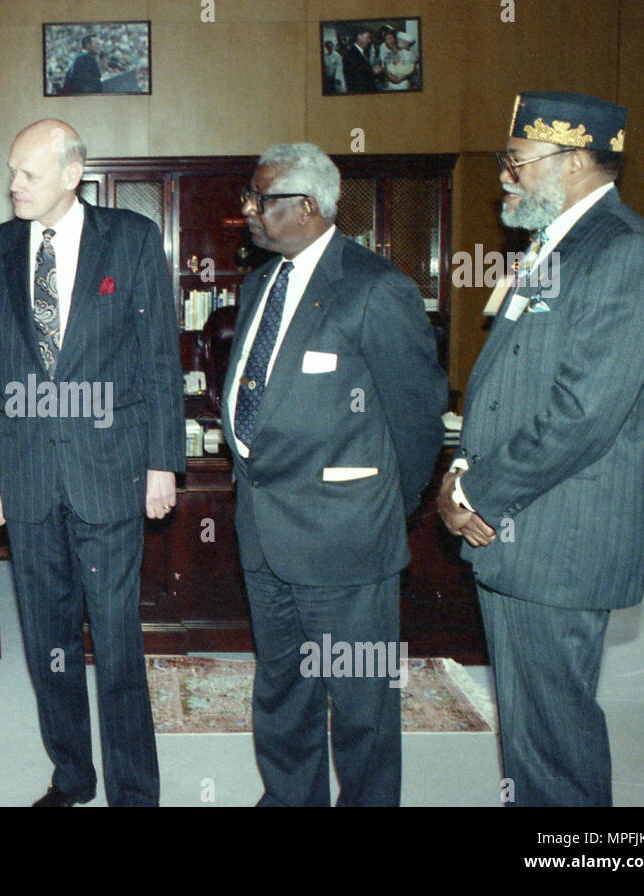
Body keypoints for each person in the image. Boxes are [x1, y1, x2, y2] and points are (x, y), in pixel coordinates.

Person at [438, 92, 644, 806]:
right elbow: (509, 385)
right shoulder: (555, 245)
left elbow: (583, 414)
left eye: (516, 163)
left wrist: (477, 493)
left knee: (554, 742)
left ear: (573, 162)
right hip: (519, 529)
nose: (504, 178)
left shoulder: (622, 253)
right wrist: (460, 468)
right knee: (532, 735)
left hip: (558, 537)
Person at [0, 119, 184, 806]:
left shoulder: (133, 238)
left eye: (28, 172)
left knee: (116, 645)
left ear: (72, 172)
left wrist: (162, 464)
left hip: (110, 473)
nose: (13, 185)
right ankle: (72, 776)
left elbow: (158, 361)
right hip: (25, 476)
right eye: (11, 172)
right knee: (47, 643)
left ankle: (134, 791)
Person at [220, 143, 446, 806]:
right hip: (263, 531)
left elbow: (417, 422)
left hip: (347, 542)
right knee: (282, 689)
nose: (247, 210)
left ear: (310, 207)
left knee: (360, 707)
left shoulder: (376, 288)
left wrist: (378, 511)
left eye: (260, 198)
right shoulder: (263, 281)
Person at [341, 28, 377, 93]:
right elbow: (357, 76)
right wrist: (373, 71)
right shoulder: (351, 54)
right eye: (368, 38)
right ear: (359, 37)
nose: (369, 41)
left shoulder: (362, 53)